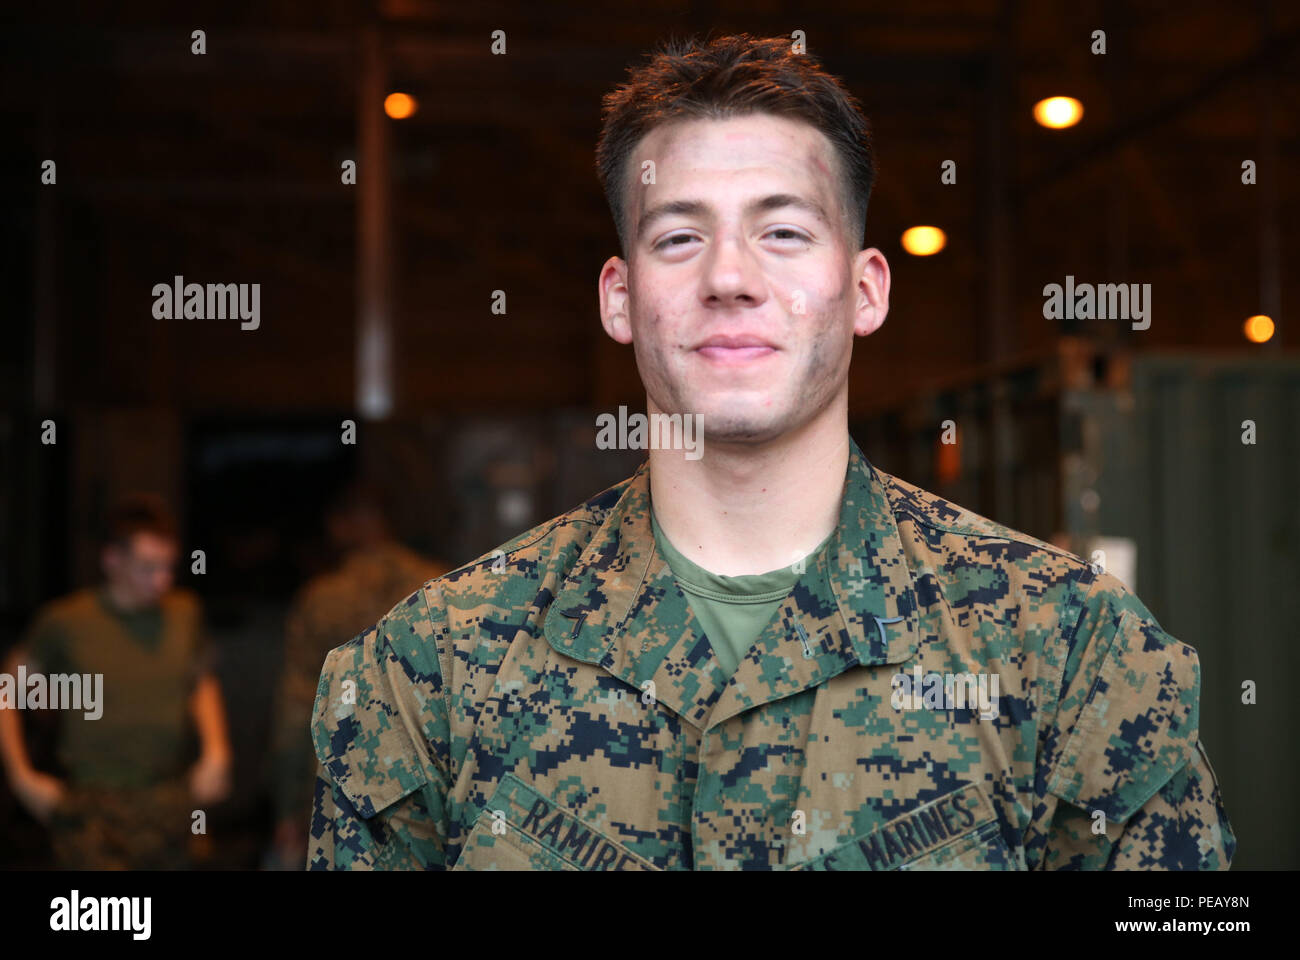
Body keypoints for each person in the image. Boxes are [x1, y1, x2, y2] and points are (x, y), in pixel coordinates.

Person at [306, 34, 1234, 871]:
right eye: (679, 237)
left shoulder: (1069, 653)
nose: (730, 278)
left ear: (865, 289)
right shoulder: (432, 672)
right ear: (619, 299)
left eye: (783, 231)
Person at [0, 492, 232, 869]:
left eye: (169, 567)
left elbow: (201, 682)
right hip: (90, 807)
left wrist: (217, 749)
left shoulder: (184, 613)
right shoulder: (66, 621)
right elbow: (6, 691)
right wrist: (22, 777)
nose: (162, 580)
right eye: (147, 567)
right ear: (112, 560)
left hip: (168, 800)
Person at [267, 481, 447, 869]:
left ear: (342, 525)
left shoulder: (321, 599)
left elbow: (295, 713)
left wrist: (287, 810)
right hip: (428, 796)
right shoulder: (441, 588)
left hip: (343, 794)